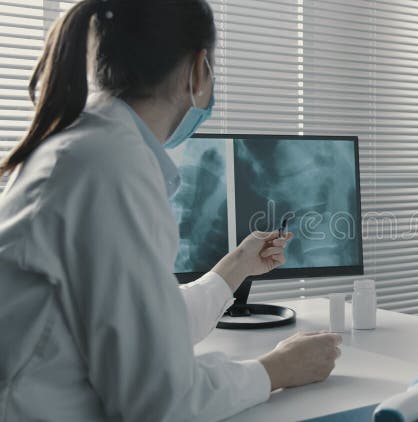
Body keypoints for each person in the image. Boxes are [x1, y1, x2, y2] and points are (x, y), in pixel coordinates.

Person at [0, 1, 340, 421]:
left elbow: (141, 324)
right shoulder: (109, 167)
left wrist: (236, 265)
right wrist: (274, 370)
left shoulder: (87, 148)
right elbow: (162, 401)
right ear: (199, 70)